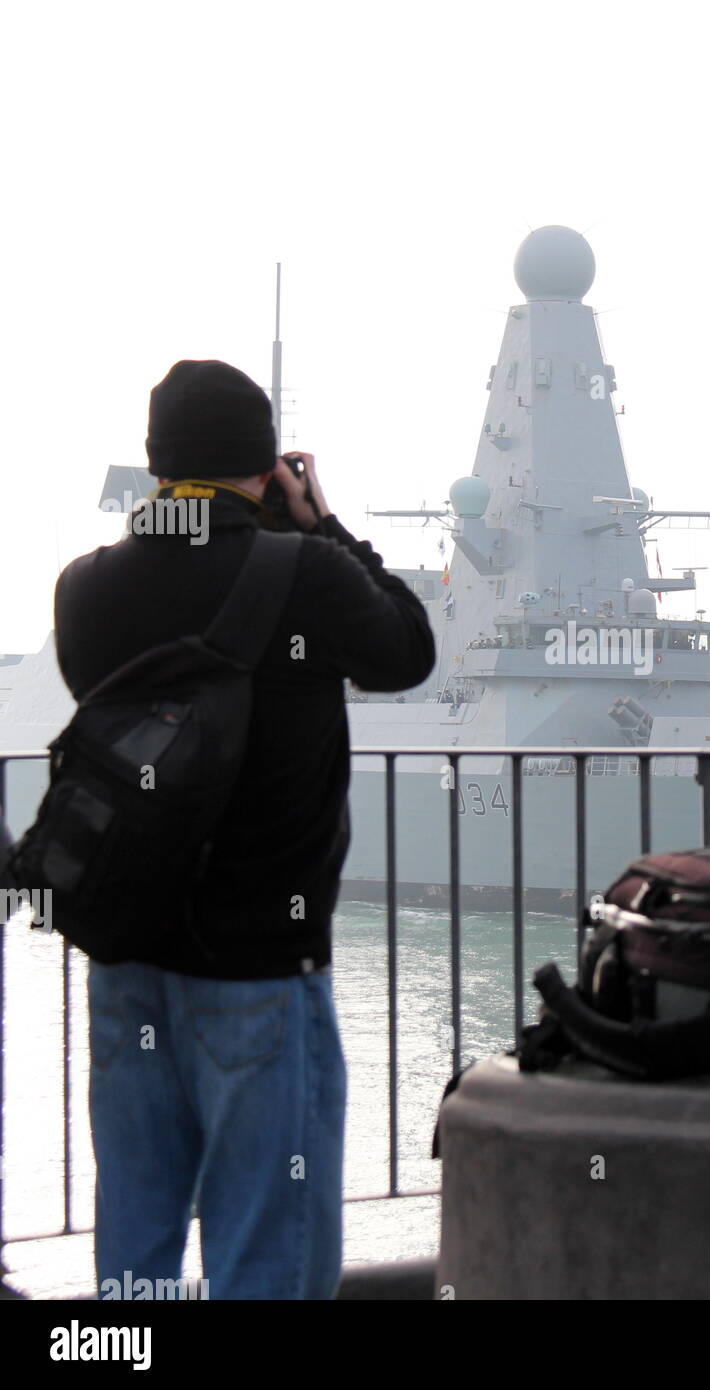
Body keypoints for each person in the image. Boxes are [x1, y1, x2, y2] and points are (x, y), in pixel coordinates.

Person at [55, 360, 435, 1298]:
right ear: (270, 464)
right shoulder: (303, 570)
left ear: (155, 466)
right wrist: (321, 524)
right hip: (260, 957)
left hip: (127, 951)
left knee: (135, 1220)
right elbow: (406, 651)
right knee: (267, 1235)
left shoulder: (84, 587)